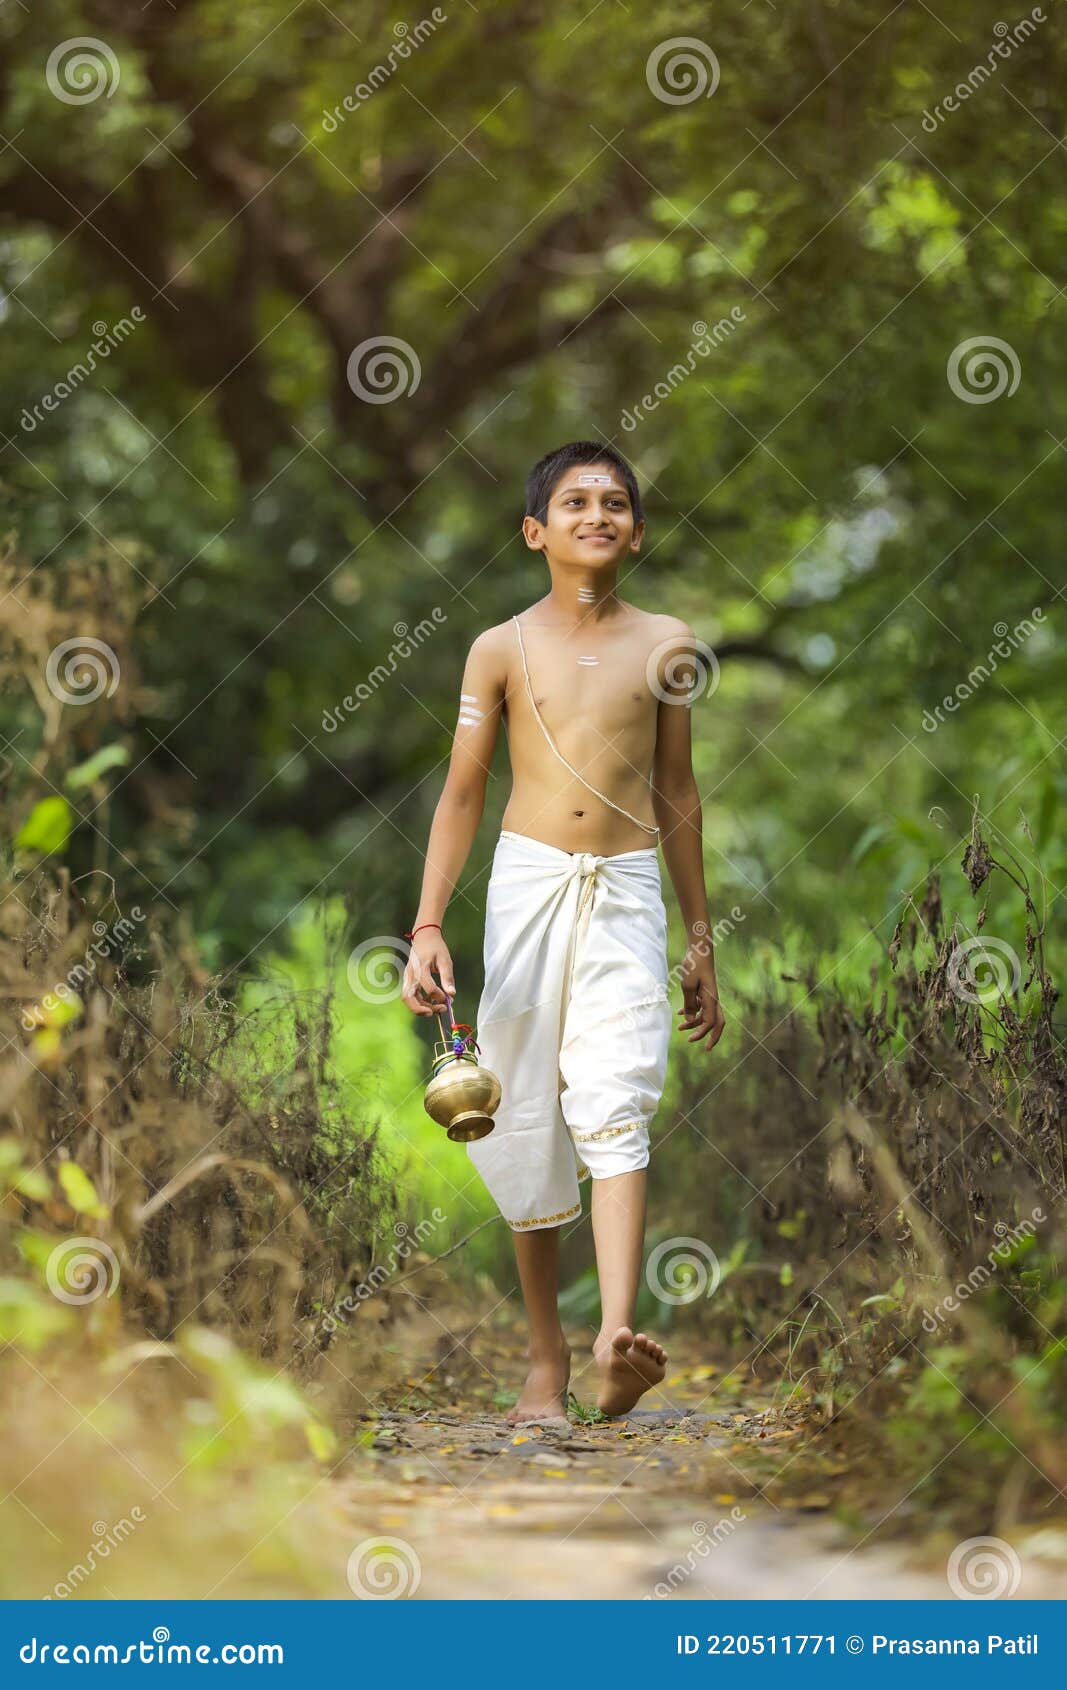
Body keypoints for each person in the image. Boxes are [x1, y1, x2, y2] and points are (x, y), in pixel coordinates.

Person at [402, 439, 724, 1422]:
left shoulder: (666, 642)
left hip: (626, 889)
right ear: (535, 531)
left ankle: (610, 1341)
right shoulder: (498, 648)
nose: (598, 512)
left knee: (615, 1089)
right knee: (523, 1106)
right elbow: (462, 791)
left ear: (635, 529)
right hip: (528, 883)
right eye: (576, 501)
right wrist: (425, 923)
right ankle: (543, 1357)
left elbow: (676, 792)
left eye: (616, 501)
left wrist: (700, 936)